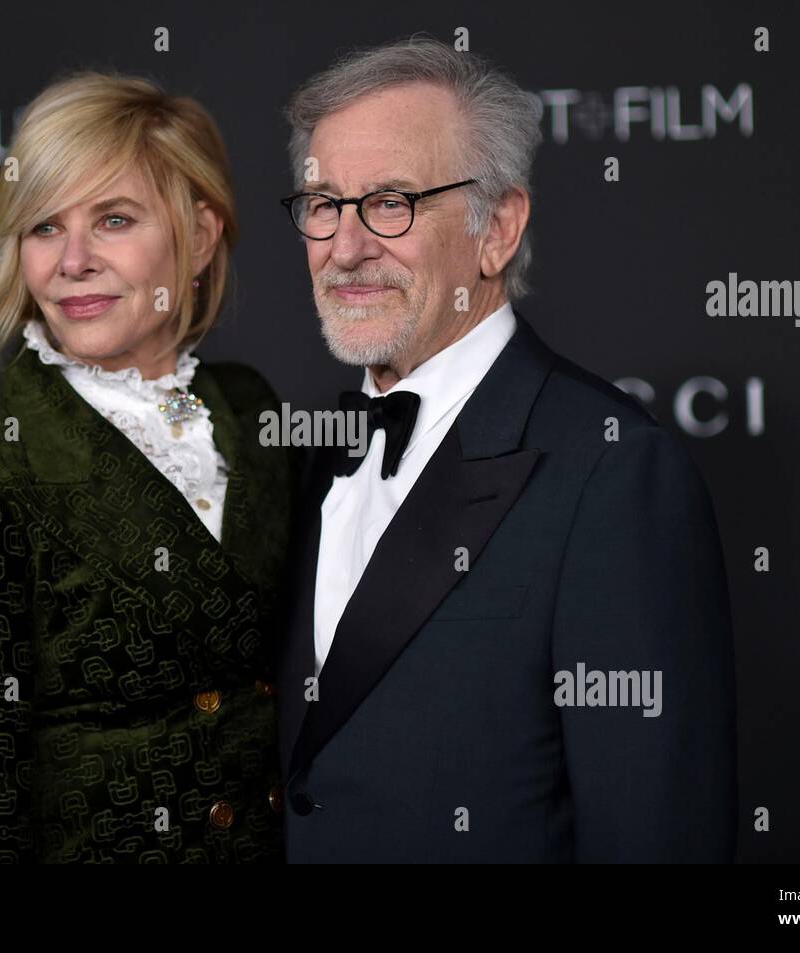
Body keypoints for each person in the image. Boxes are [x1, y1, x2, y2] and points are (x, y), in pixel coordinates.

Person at [275, 37, 738, 862]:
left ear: (499, 228)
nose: (345, 247)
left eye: (391, 203)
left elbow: (656, 830)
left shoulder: (611, 471)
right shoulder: (311, 459)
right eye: (323, 205)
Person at [0, 71, 291, 863]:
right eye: (43, 226)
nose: (73, 260)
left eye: (113, 219)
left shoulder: (254, 413)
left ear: (199, 236)